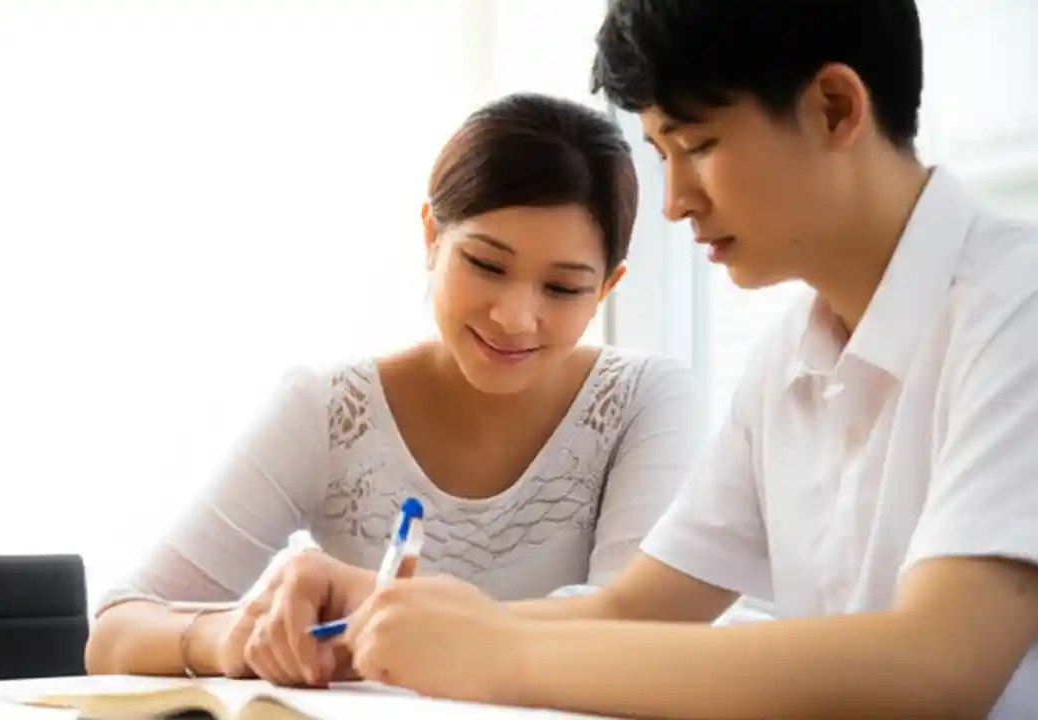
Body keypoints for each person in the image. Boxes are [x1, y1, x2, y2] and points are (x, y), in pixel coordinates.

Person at [295, 2, 1038, 717]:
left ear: (836, 108)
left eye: (699, 146)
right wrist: (389, 618)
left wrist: (500, 658)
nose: (676, 202)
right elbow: (638, 609)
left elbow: (936, 668)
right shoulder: (790, 360)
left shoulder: (1017, 309)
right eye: (661, 156)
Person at [84, 92, 704, 687]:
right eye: (486, 265)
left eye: (563, 289)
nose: (516, 317)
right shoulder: (329, 409)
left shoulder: (644, 401)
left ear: (607, 287)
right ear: (432, 236)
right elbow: (116, 632)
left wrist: (420, 630)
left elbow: (636, 631)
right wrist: (231, 638)